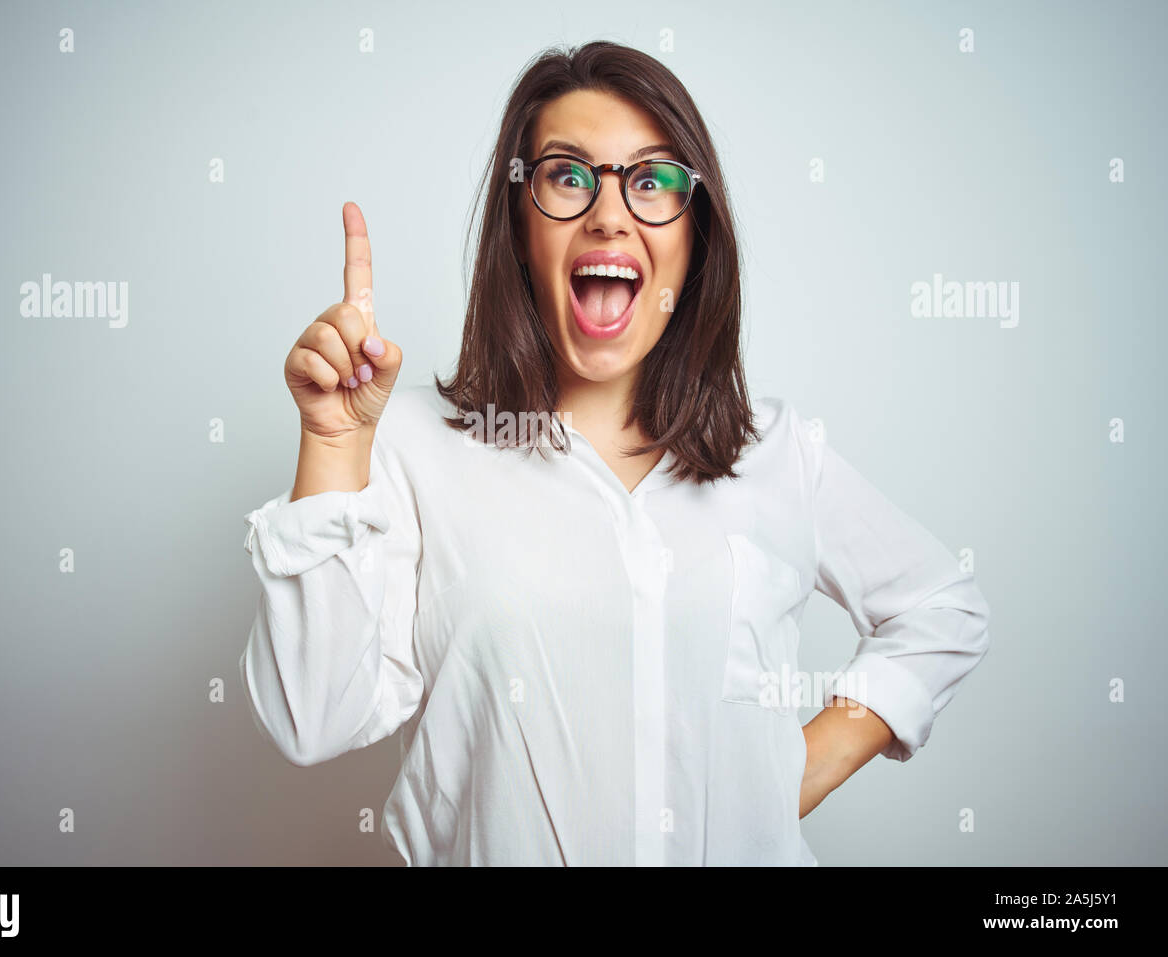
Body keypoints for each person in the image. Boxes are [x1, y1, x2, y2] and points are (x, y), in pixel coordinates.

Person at [238, 41, 990, 866]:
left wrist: (784, 781)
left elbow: (940, 610)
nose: (609, 213)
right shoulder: (413, 446)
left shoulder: (777, 452)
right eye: (568, 176)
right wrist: (332, 443)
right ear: (519, 228)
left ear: (695, 233)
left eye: (653, 180)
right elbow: (313, 717)